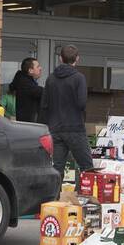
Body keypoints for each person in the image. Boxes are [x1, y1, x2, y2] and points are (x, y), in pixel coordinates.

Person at [41, 44, 91, 180]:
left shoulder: (51, 79)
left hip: (55, 129)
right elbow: (82, 103)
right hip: (75, 128)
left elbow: (44, 105)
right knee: (86, 167)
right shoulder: (79, 78)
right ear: (77, 59)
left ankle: (53, 198)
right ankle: (83, 198)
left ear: (60, 59)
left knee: (56, 169)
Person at [7, 58, 43, 123]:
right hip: (29, 126)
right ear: (30, 70)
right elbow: (39, 92)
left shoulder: (23, 81)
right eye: (38, 67)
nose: (40, 68)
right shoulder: (25, 83)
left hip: (27, 125)